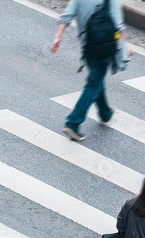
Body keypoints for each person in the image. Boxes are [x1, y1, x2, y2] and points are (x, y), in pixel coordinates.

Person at [51, 0, 126, 142]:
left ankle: (105, 113)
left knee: (96, 79)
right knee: (94, 84)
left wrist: (57, 37)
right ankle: (73, 122)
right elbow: (118, 24)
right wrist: (125, 47)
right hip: (104, 48)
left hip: (87, 47)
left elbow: (66, 16)